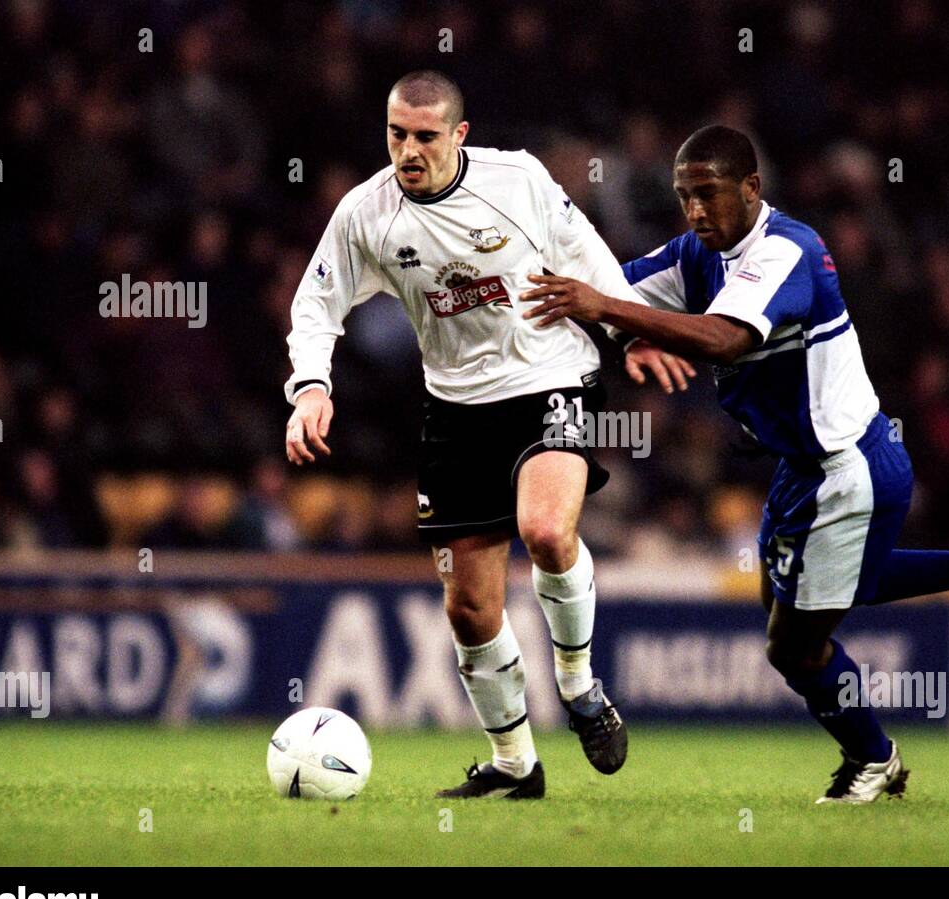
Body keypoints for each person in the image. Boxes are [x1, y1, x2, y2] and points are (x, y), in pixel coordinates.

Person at [521, 125, 949, 804]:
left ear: (751, 187)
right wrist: (587, 313)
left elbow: (726, 339)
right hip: (806, 472)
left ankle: (873, 759)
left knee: (794, 647)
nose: (697, 211)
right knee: (803, 600)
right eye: (685, 197)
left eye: (708, 194)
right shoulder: (694, 255)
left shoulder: (787, 250)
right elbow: (607, 294)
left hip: (846, 469)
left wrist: (607, 309)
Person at [283, 71, 694, 799]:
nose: (407, 150)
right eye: (396, 134)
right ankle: (514, 765)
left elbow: (586, 254)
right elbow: (317, 303)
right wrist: (311, 386)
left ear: (459, 135)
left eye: (424, 137)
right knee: (470, 608)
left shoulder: (521, 180)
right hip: (455, 409)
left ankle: (580, 686)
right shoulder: (364, 215)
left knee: (544, 530)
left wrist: (630, 329)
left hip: (550, 378)